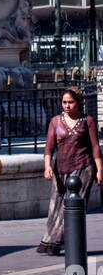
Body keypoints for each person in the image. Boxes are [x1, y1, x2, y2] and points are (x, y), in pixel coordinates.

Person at [36, 87, 103, 255]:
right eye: (64, 102)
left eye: (70, 102)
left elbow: (95, 147)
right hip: (61, 170)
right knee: (56, 206)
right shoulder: (55, 121)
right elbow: (49, 148)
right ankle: (52, 240)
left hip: (83, 168)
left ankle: (65, 241)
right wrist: (47, 166)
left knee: (73, 206)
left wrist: (100, 169)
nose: (67, 106)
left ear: (79, 102)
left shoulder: (87, 121)